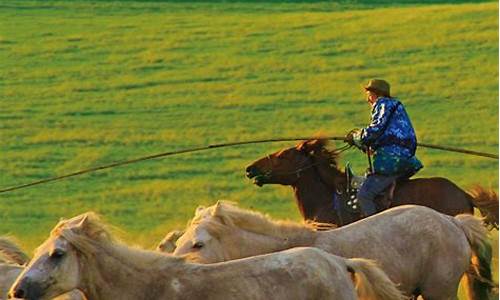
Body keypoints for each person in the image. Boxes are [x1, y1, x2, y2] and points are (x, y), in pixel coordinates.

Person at [345, 79, 423, 217]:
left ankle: (374, 231)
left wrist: (356, 137)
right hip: (407, 160)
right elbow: (386, 135)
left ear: (374, 94)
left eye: (368, 95)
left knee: (364, 195)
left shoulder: (382, 103)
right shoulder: (397, 107)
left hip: (391, 160)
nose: (368, 100)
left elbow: (376, 129)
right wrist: (367, 145)